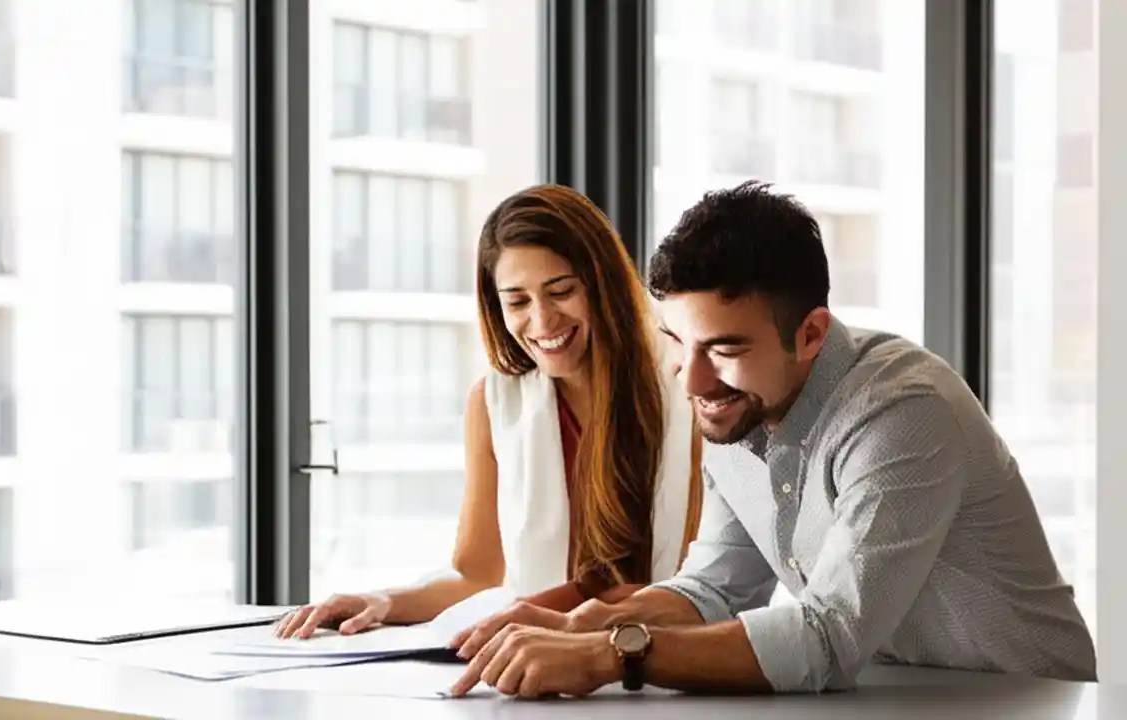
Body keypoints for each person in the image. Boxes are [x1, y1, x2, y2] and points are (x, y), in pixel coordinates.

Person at [449, 181, 1096, 698]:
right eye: (678, 342)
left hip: (1027, 702)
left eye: (725, 348)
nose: (693, 379)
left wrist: (609, 655)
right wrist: (578, 624)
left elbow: (827, 635)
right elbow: (715, 587)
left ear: (811, 333)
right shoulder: (736, 407)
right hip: (898, 696)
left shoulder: (903, 411)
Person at [274, 184, 702, 639]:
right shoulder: (495, 404)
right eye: (517, 301)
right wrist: (382, 602)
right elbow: (475, 575)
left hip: (659, 656)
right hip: (541, 661)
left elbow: (699, 585)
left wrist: (532, 612)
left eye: (560, 292)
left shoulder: (689, 386)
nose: (542, 322)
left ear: (603, 284)